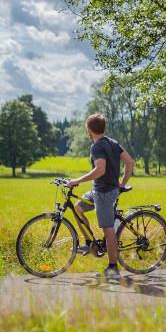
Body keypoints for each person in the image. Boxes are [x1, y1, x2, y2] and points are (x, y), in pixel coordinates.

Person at [67, 113, 135, 279]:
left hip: (104, 193)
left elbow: (100, 170)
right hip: (98, 190)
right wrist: (122, 183)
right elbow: (130, 162)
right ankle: (90, 243)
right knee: (78, 208)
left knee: (108, 229)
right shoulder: (112, 143)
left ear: (89, 130)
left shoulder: (96, 147)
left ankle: (113, 268)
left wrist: (77, 180)